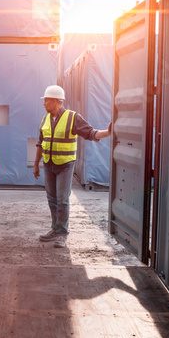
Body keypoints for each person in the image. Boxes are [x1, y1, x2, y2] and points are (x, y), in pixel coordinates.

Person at [32, 84, 111, 248]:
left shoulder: (72, 117)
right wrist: (36, 164)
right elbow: (40, 143)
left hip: (65, 166)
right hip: (49, 165)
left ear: (55, 101)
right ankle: (55, 229)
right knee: (51, 198)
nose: (43, 103)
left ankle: (62, 233)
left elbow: (90, 133)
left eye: (46, 100)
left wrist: (108, 133)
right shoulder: (45, 119)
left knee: (62, 200)